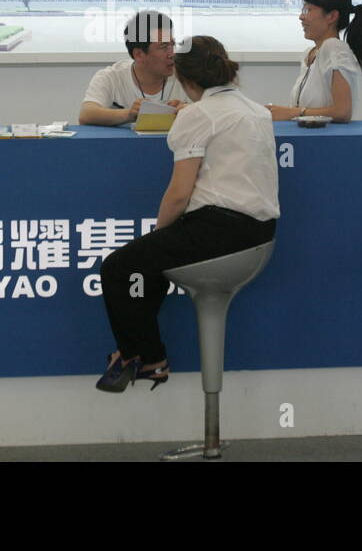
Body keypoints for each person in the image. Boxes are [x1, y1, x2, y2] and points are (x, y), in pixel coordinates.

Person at [96, 35, 278, 392]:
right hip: (260, 235)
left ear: (183, 76)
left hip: (218, 233)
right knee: (150, 264)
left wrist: (156, 234)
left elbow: (178, 195)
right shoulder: (255, 110)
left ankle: (145, 356)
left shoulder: (196, 115)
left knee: (119, 267)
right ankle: (144, 355)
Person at [268, 0, 362, 122]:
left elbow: (342, 111)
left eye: (308, 10)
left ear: (332, 16)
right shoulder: (311, 53)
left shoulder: (333, 48)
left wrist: (294, 112)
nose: (301, 17)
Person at [78, 11, 188, 126]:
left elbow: (207, 107)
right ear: (139, 54)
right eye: (164, 47)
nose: (172, 54)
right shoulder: (112, 77)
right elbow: (86, 114)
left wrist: (190, 111)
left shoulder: (185, 75)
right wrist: (128, 114)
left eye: (173, 44)